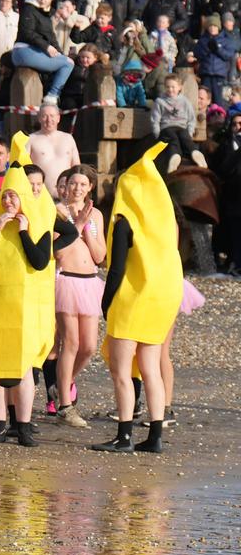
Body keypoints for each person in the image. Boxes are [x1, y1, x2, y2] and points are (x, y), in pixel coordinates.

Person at [93, 138, 183, 455]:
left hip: (132, 301)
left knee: (121, 373)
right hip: (161, 301)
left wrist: (105, 303)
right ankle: (155, 436)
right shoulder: (162, 222)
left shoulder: (123, 221)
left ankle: (124, 435)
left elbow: (116, 269)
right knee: (151, 369)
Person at [0, 149, 56, 449]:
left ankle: (22, 426)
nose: (9, 201)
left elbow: (39, 261)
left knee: (23, 368)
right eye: (5, 196)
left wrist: (23, 232)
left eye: (14, 196)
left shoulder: (40, 226)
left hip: (26, 310)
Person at [52, 164, 105, 428]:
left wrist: (86, 226)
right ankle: (64, 404)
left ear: (90, 187)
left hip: (90, 282)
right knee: (70, 343)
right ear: (66, 185)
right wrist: (77, 223)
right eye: (73, 183)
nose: (77, 188)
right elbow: (56, 252)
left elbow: (100, 255)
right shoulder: (57, 212)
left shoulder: (96, 214)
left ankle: (63, 384)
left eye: (83, 184)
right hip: (67, 280)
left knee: (88, 347)